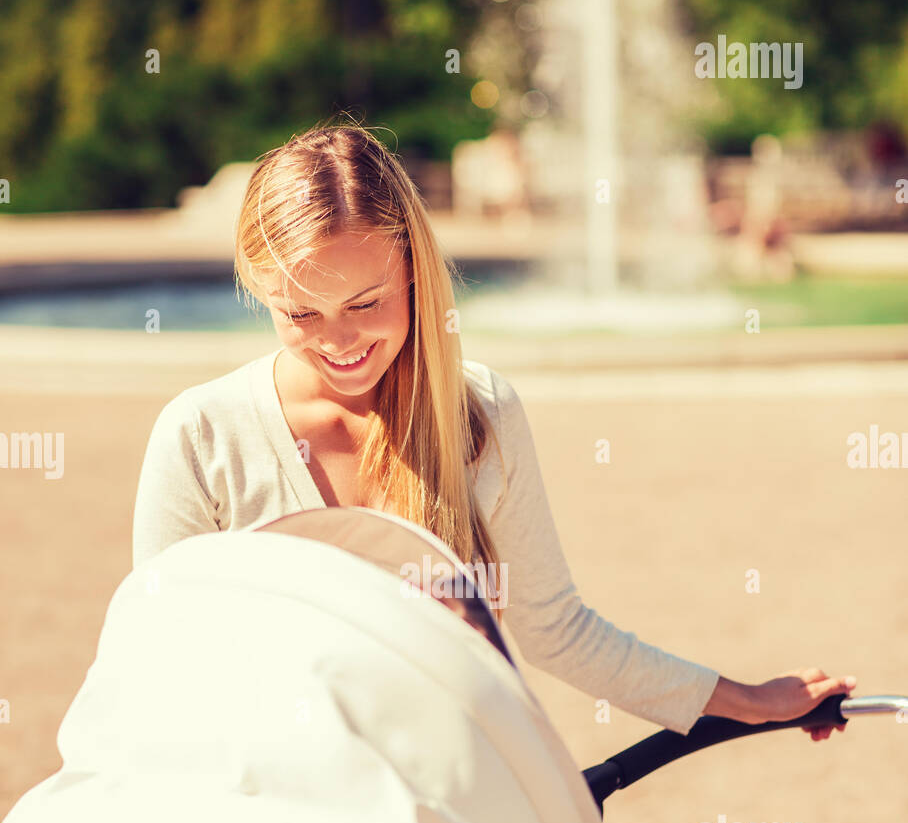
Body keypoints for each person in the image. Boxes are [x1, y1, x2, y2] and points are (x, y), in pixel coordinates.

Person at [132, 118, 852, 740]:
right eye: (301, 313)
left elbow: (556, 628)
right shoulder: (201, 437)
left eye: (365, 301)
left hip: (450, 817)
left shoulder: (481, 412)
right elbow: (161, 664)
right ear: (260, 293)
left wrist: (744, 701)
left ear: (413, 270)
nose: (339, 340)